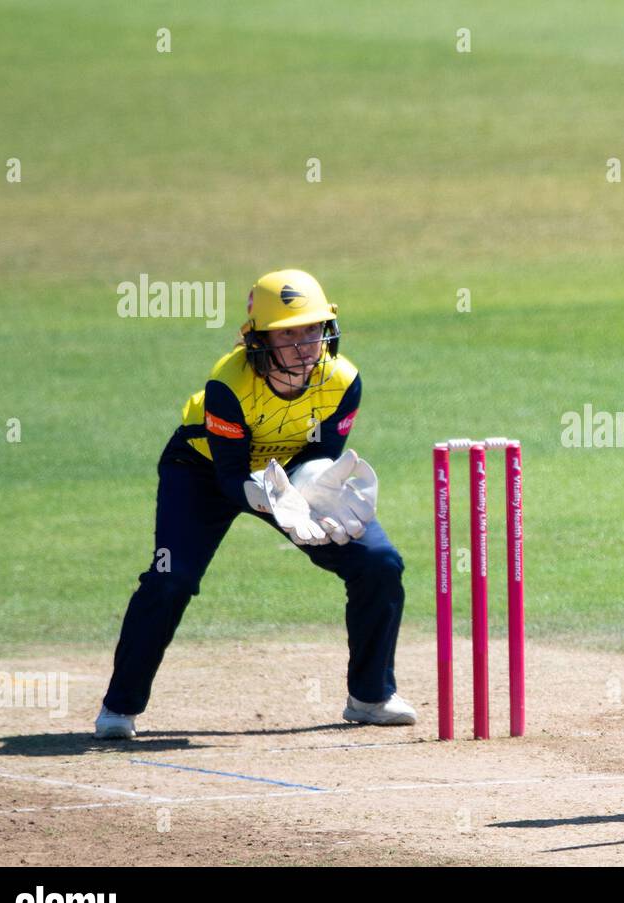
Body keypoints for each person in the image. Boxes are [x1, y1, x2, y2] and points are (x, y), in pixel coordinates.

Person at [95, 269, 416, 739]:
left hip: (288, 476)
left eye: (313, 328)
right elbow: (228, 477)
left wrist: (310, 486)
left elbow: (321, 452)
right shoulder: (229, 384)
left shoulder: (343, 379)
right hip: (202, 471)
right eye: (290, 333)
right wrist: (275, 499)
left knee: (379, 562)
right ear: (260, 338)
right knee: (171, 578)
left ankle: (370, 697)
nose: (306, 344)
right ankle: (119, 707)